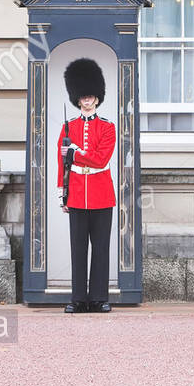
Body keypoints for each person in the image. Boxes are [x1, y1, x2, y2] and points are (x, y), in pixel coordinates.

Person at [55, 57, 116, 314]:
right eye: (83, 96)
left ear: (97, 98)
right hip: (78, 193)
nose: (87, 100)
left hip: (101, 193)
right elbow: (62, 163)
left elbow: (102, 158)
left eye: (91, 96)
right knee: (78, 249)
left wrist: (75, 152)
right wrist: (63, 194)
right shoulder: (68, 127)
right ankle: (79, 298)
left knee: (100, 249)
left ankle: (99, 298)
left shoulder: (108, 127)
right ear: (77, 98)